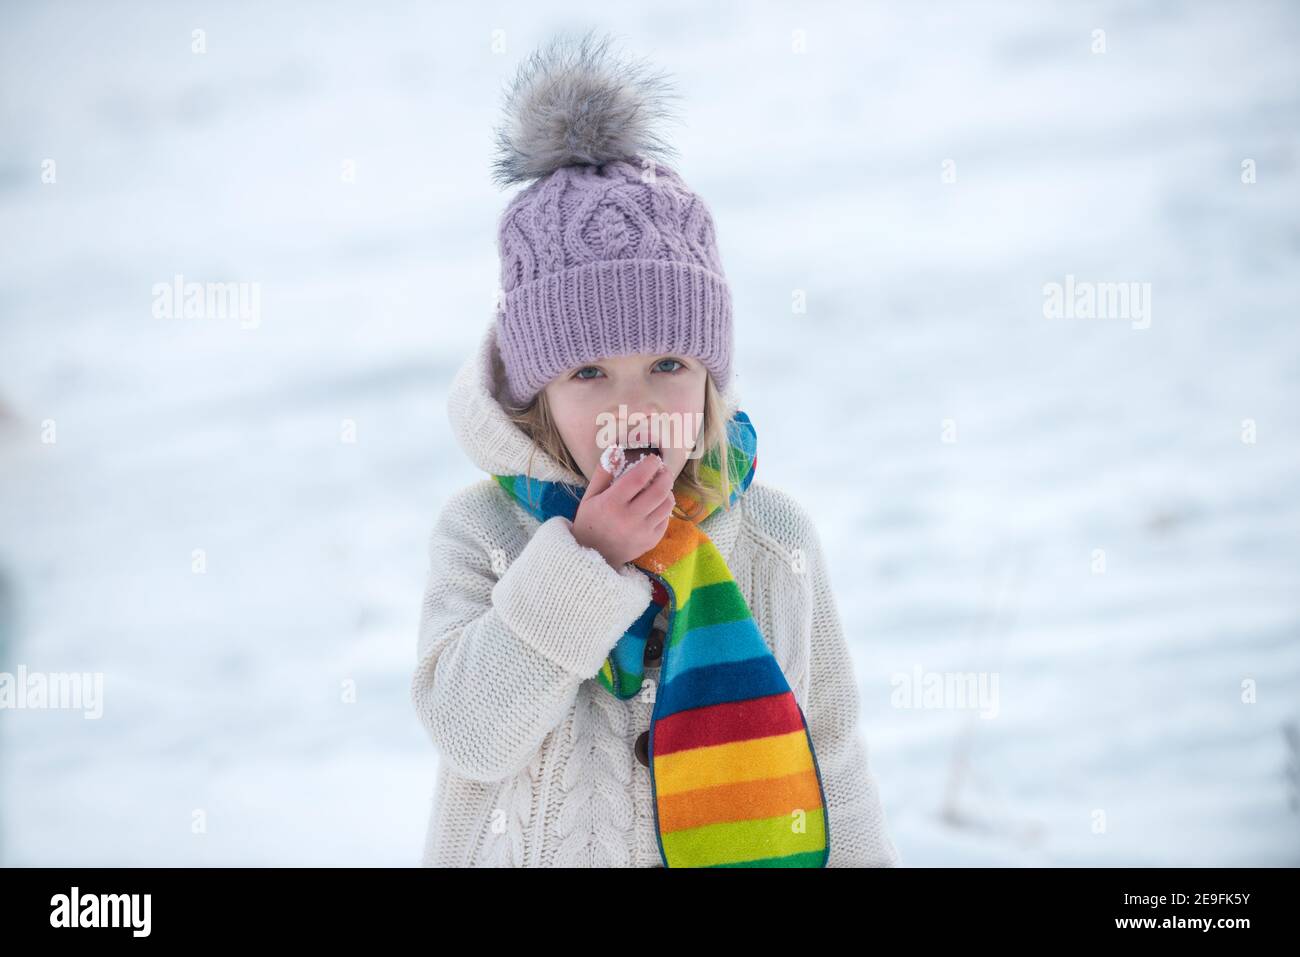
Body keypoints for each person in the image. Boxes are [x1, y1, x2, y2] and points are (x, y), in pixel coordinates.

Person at [411, 30, 900, 868]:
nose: (632, 406)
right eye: (590, 372)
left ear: (709, 378)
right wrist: (585, 561)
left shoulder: (775, 539)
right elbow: (470, 732)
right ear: (537, 396)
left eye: (667, 365)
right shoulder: (484, 535)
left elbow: (836, 759)